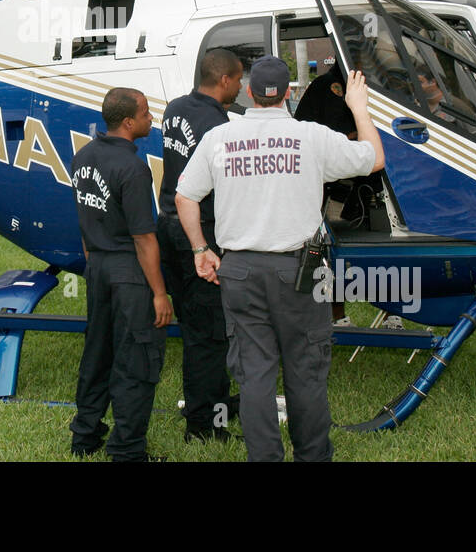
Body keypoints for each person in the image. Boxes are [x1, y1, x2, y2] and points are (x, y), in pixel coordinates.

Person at [175, 57, 384, 462]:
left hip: (239, 271)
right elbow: (373, 158)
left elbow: (185, 196)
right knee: (305, 373)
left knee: (254, 375)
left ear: (248, 93)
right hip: (300, 273)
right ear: (289, 93)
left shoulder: (220, 137)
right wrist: (358, 106)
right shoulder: (311, 136)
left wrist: (201, 250)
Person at [69, 87, 173, 461]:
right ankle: (127, 451)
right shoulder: (133, 168)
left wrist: (94, 263)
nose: (151, 118)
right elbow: (144, 237)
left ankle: (85, 435)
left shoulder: (82, 157)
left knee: (97, 352)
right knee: (137, 361)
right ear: (128, 122)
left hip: (96, 266)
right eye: (145, 113)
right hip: (129, 273)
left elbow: (84, 221)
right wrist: (159, 293)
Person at [157, 48, 244, 442]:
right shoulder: (216, 122)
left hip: (167, 226)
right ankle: (205, 426)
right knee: (209, 336)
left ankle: (211, 405)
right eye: (239, 79)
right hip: (198, 234)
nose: (241, 86)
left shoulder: (174, 108)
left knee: (196, 329)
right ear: (225, 80)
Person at [294, 63, 397, 329]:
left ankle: (393, 312)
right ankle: (337, 315)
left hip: (374, 183)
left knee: (388, 248)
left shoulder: (382, 86)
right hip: (333, 184)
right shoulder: (323, 88)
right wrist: (351, 137)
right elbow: (309, 131)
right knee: (328, 251)